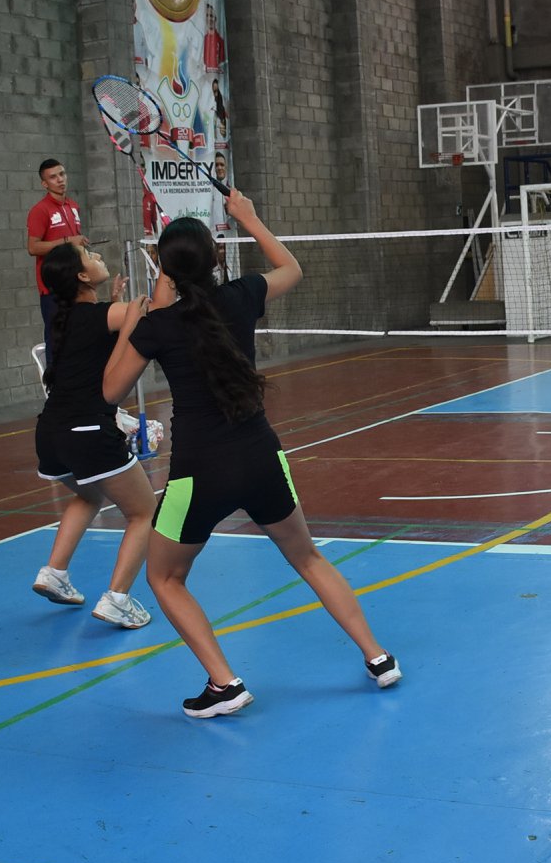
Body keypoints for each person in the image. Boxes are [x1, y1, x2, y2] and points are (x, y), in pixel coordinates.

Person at [102, 193, 401, 718]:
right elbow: (291, 267)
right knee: (307, 557)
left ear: (164, 269)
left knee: (164, 578)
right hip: (262, 455)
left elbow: (109, 390)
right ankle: (378, 658)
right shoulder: (242, 296)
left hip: (199, 474)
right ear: (217, 259)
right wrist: (249, 218)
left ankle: (224, 683)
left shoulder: (156, 326)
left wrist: (141, 312)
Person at [29, 243, 161, 629]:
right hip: (87, 431)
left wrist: (117, 305)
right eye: (90, 256)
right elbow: (153, 311)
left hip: (50, 433)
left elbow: (100, 336)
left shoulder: (65, 318)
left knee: (89, 494)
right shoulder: (101, 316)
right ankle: (118, 598)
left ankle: (54, 572)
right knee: (142, 512)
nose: (99, 256)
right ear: (82, 277)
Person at [26, 158, 86, 368]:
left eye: (62, 174)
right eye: (53, 177)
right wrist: (68, 241)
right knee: (57, 339)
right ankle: (55, 387)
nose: (60, 180)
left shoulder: (73, 206)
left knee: (77, 337)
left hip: (75, 284)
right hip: (52, 288)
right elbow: (33, 247)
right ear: (45, 183)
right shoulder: (40, 210)